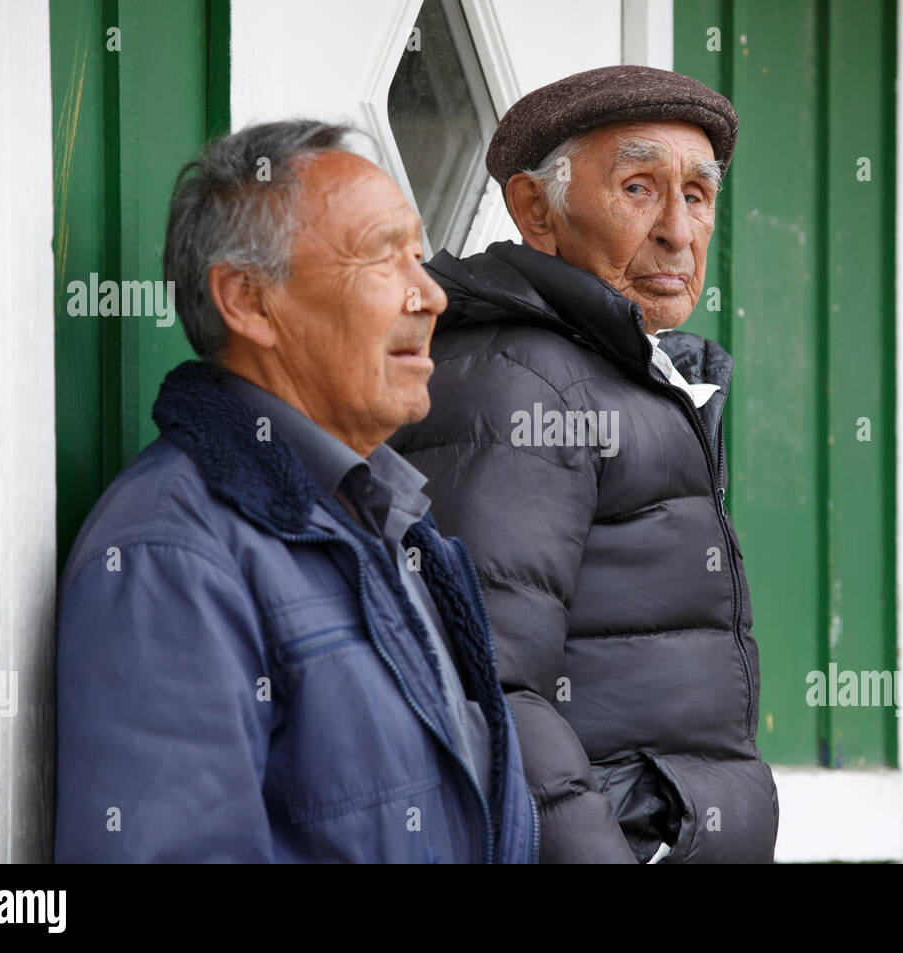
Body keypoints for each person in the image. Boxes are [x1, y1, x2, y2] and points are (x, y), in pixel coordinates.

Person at [55, 119, 538, 863]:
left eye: (420, 256)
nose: (432, 295)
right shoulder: (169, 556)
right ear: (249, 301)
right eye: (384, 257)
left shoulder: (386, 516)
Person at [391, 66, 778, 863]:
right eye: (639, 187)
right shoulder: (523, 383)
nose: (679, 229)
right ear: (537, 209)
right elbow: (489, 685)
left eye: (698, 196)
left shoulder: (633, 372)